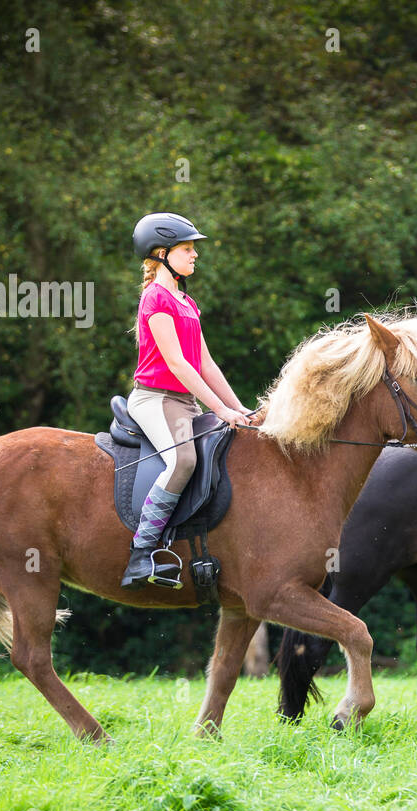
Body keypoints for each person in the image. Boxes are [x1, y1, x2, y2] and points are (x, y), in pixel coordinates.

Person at [121, 212, 258, 589]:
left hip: (183, 403)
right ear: (162, 253)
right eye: (187, 249)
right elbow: (178, 364)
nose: (195, 255)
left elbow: (205, 363)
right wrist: (220, 409)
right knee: (183, 460)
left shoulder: (186, 302)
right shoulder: (156, 298)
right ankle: (141, 553)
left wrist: (240, 408)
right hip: (155, 399)